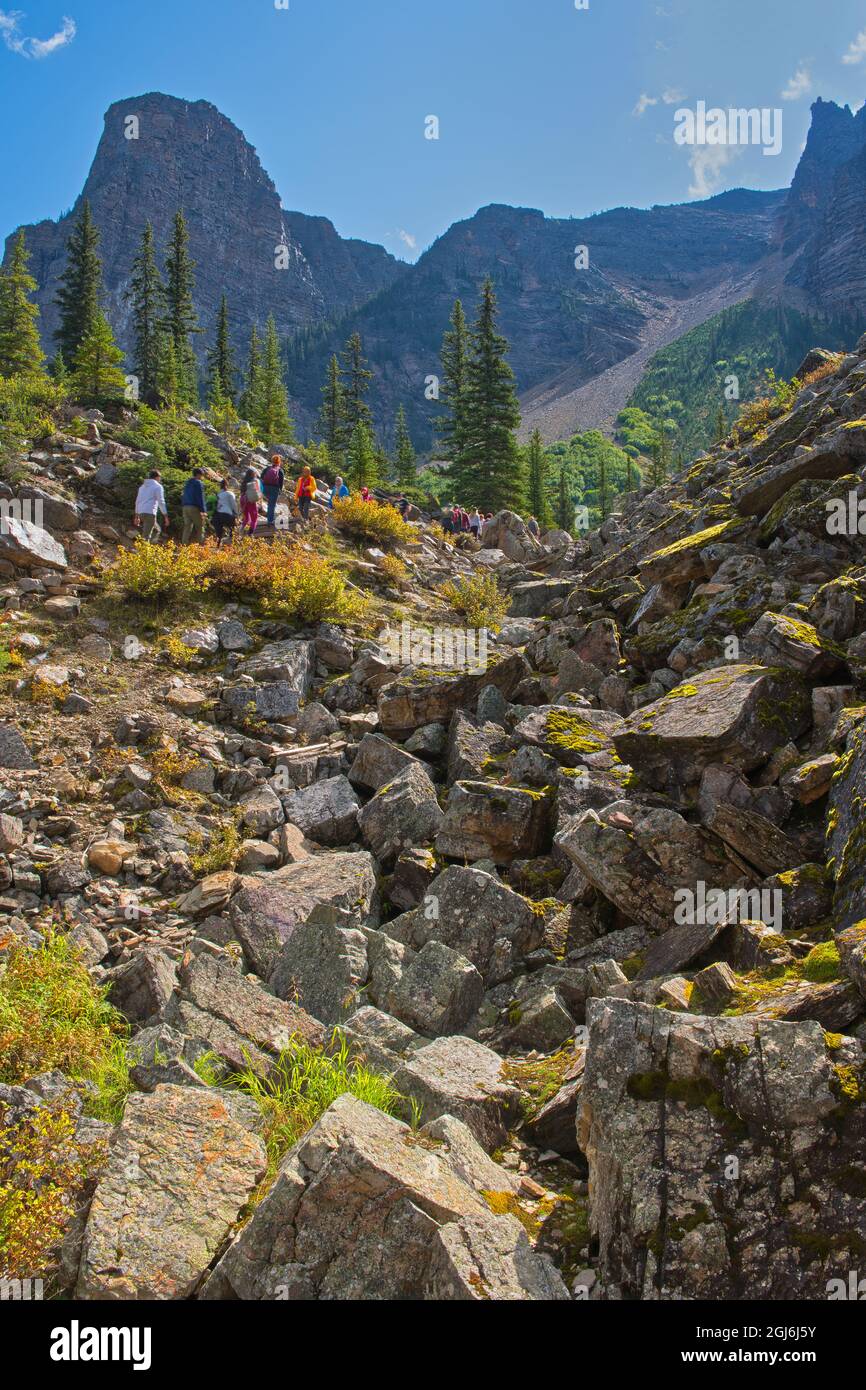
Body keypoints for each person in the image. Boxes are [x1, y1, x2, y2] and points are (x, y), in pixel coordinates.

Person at [134, 470, 168, 542]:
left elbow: (137, 501)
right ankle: (143, 551)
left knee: (157, 530)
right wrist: (165, 516)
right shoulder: (158, 487)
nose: (160, 479)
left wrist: (136, 516)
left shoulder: (142, 487)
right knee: (146, 536)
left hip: (141, 512)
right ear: (157, 477)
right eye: (160, 477)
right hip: (150, 512)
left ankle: (150, 549)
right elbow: (161, 502)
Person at [181, 468, 208, 545]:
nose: (202, 477)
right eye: (202, 475)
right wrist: (203, 510)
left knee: (187, 527)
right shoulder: (198, 483)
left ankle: (183, 545)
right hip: (194, 507)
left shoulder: (187, 483)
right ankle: (202, 545)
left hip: (185, 507)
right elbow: (200, 497)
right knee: (200, 527)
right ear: (199, 475)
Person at [260, 455, 285, 529]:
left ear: (272, 461)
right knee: (271, 505)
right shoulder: (280, 470)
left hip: (265, 488)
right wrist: (280, 490)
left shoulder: (267, 468)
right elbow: (281, 482)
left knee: (269, 503)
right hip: (274, 489)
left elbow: (261, 477)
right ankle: (270, 521)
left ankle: (269, 518)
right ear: (279, 462)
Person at [214, 479, 238, 547]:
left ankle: (218, 545)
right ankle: (232, 543)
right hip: (227, 515)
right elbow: (234, 505)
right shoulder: (230, 493)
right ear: (227, 485)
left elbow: (218, 506)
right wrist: (236, 514)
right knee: (233, 528)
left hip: (218, 515)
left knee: (219, 532)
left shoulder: (219, 494)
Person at [241, 468, 262, 534]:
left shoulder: (244, 481)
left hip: (242, 499)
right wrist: (260, 502)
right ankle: (250, 534)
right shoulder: (255, 481)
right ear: (253, 474)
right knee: (254, 519)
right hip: (251, 501)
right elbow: (258, 492)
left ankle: (239, 531)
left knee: (246, 518)